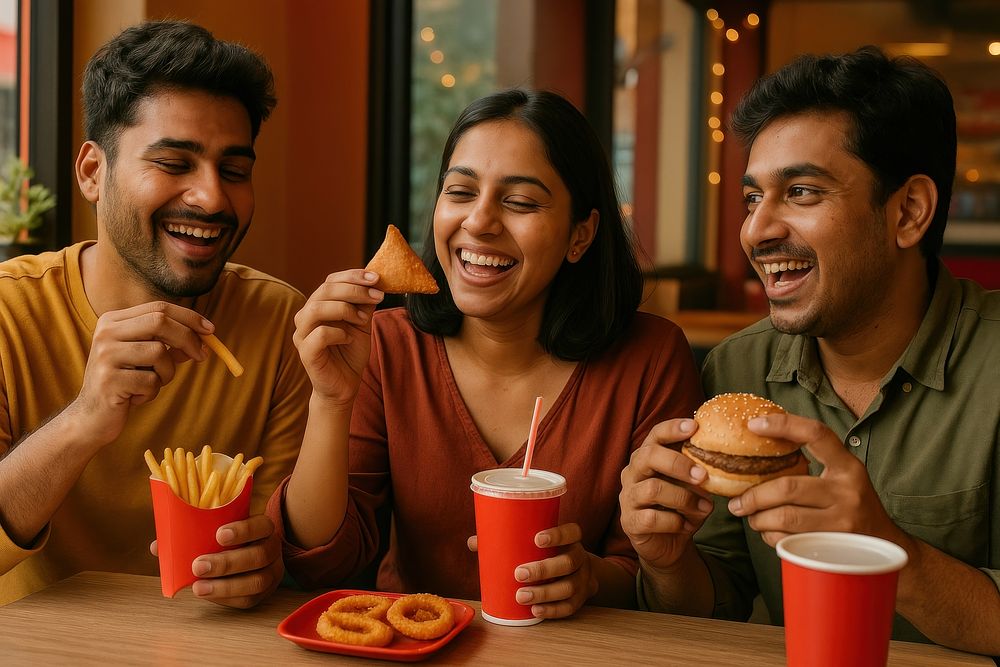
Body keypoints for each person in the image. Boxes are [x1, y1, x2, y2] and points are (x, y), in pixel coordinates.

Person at [619, 45, 1000, 655]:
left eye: (800, 191)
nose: (755, 230)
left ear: (908, 211)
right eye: (751, 198)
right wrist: (666, 561)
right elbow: (719, 596)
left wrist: (891, 554)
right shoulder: (736, 368)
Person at [265, 89, 703, 619]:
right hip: (418, 648)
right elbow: (321, 560)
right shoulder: (385, 344)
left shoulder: (650, 358)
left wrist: (588, 577)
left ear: (580, 236)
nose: (479, 221)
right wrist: (330, 401)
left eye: (519, 202)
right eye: (460, 191)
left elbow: (659, 578)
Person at [0, 20, 310, 607]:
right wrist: (86, 417)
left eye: (235, 171)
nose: (213, 198)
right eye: (174, 163)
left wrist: (264, 562)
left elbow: (280, 542)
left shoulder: (277, 323)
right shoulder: (10, 312)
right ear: (93, 172)